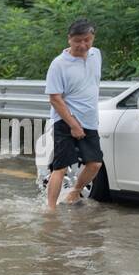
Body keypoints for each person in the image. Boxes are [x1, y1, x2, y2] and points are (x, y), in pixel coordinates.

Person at [44, 19, 104, 209]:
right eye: (78, 40)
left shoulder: (96, 55)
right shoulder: (59, 64)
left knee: (95, 164)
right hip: (65, 120)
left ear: (93, 38)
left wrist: (84, 122)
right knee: (60, 167)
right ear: (69, 39)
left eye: (87, 40)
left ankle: (74, 192)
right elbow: (55, 98)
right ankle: (50, 209)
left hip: (90, 120)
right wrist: (73, 125)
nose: (83, 45)